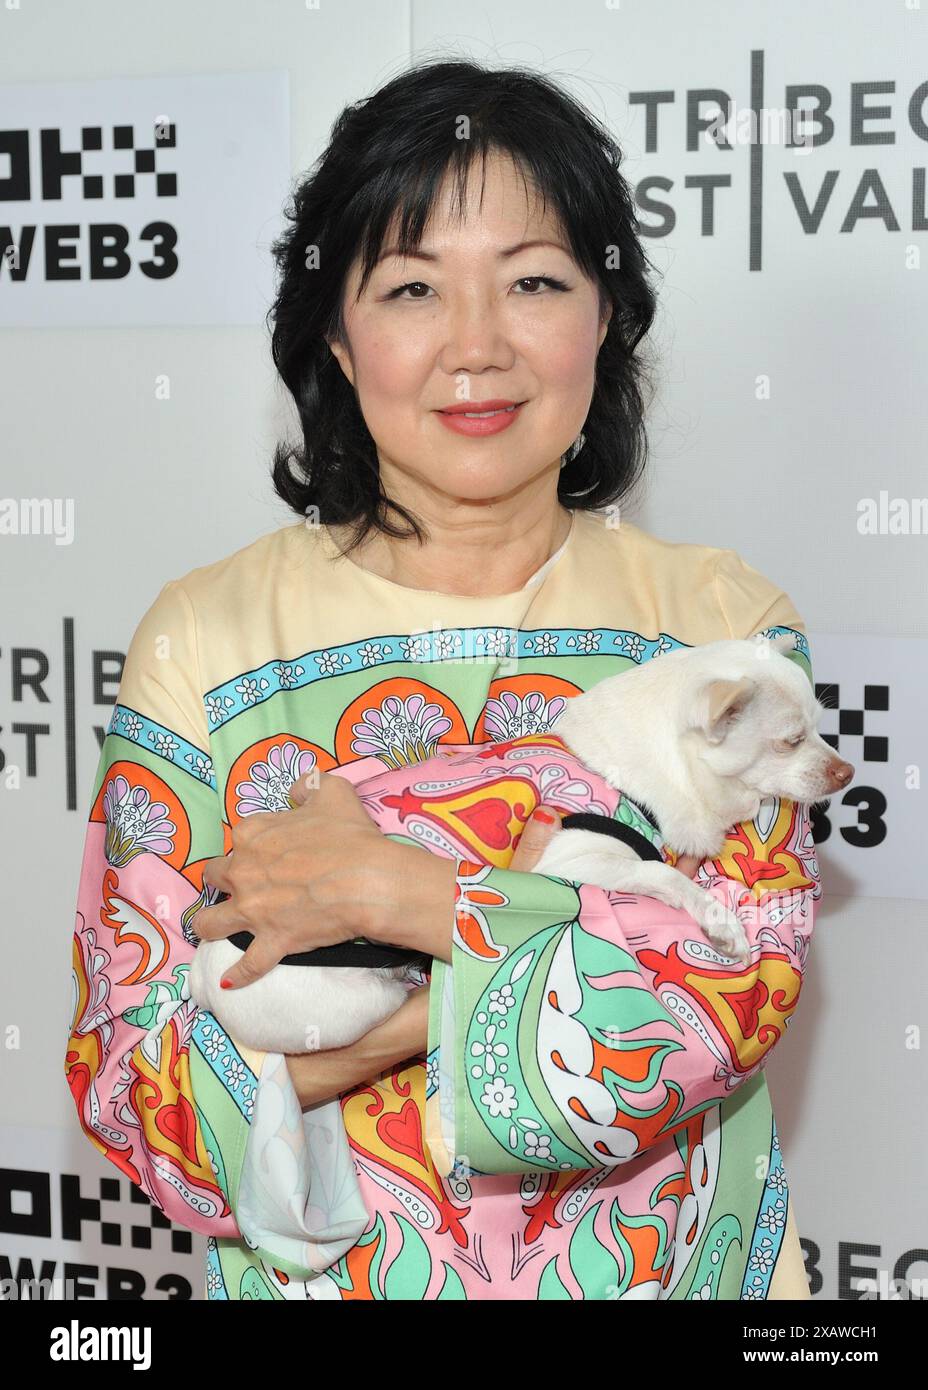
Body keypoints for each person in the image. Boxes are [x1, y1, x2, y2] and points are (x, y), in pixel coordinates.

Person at [65, 58, 819, 1300]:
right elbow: (140, 1092)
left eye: (534, 281)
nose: (476, 346)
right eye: (413, 287)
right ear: (336, 336)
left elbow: (729, 1000)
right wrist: (537, 942)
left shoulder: (722, 631)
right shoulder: (206, 639)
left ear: (604, 318)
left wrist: (404, 902)